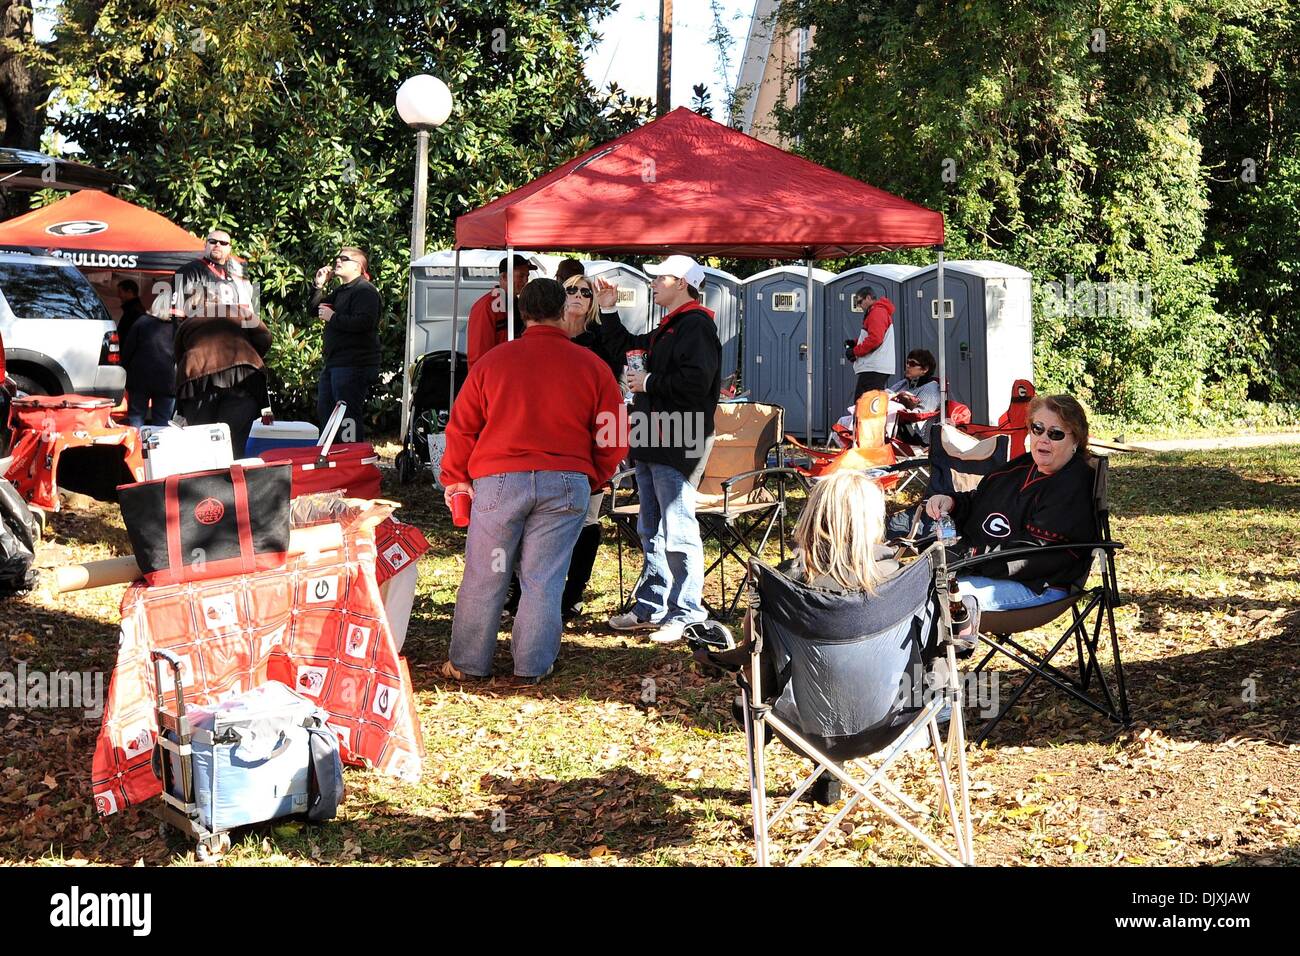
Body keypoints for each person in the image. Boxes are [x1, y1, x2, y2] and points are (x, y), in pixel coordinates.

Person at [439, 278, 626, 683]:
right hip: (567, 482)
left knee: (487, 572)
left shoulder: (494, 361)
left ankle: (468, 663)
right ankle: (533, 666)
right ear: (564, 311)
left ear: (522, 313)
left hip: (499, 482)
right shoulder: (592, 366)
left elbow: (462, 427)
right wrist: (594, 474)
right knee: (545, 577)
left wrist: (456, 478)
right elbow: (612, 434)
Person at [595, 254, 721, 645]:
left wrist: (648, 382)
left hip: (676, 441)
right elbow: (628, 349)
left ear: (681, 282)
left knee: (677, 529)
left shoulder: (696, 326)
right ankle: (652, 604)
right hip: (653, 439)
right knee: (651, 527)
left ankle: (687, 612)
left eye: (659, 277)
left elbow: (696, 383)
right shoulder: (671, 327)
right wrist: (610, 311)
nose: (653, 283)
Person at [923, 394, 1097, 611]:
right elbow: (979, 500)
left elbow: (1033, 554)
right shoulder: (1020, 468)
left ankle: (955, 643)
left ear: (1076, 440)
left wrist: (970, 557)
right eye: (1038, 428)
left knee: (932, 599)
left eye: (1056, 434)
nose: (1043, 438)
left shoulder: (1073, 483)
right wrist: (951, 502)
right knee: (913, 587)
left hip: (1037, 584)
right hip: (983, 568)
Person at [169, 229, 271, 457]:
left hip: (237, 367)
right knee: (204, 438)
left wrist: (250, 352)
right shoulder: (188, 272)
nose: (217, 245)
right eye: (212, 241)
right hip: (201, 364)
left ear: (230, 248)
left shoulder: (239, 280)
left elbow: (256, 326)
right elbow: (178, 322)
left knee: (229, 440)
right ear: (205, 244)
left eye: (223, 242)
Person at [310, 247, 382, 441]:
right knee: (326, 410)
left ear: (358, 267)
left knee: (346, 415)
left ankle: (350, 459)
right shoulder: (342, 290)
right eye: (337, 258)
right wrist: (318, 286)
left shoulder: (365, 290)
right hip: (335, 363)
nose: (338, 261)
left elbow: (365, 322)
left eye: (344, 258)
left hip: (354, 364)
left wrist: (333, 317)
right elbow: (314, 310)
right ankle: (333, 458)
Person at [466, 254, 536, 369]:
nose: (526, 281)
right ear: (504, 277)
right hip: (496, 376)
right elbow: (478, 354)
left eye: (527, 276)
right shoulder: (486, 307)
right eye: (521, 276)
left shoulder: (519, 304)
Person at [121, 307, 176, 428]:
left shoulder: (142, 322)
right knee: (163, 420)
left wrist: (124, 370)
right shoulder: (175, 325)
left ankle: (136, 445)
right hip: (167, 380)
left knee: (136, 416)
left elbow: (128, 350)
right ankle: (160, 446)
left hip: (139, 379)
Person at [886, 348, 942, 445]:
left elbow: (921, 414)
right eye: (907, 363)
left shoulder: (930, 389)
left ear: (925, 369)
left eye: (912, 364)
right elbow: (886, 394)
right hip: (896, 426)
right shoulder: (904, 383)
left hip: (916, 435)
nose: (907, 366)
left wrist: (901, 405)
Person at [850, 285, 896, 399]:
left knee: (863, 405)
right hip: (876, 367)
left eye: (860, 301)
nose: (859, 306)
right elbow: (875, 336)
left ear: (869, 297)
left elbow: (875, 339)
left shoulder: (877, 312)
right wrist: (856, 342)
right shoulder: (878, 311)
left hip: (874, 367)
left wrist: (855, 351)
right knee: (869, 404)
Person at [116, 279, 147, 344]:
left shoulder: (134, 311)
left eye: (120, 292)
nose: (118, 295)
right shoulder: (132, 309)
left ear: (129, 292)